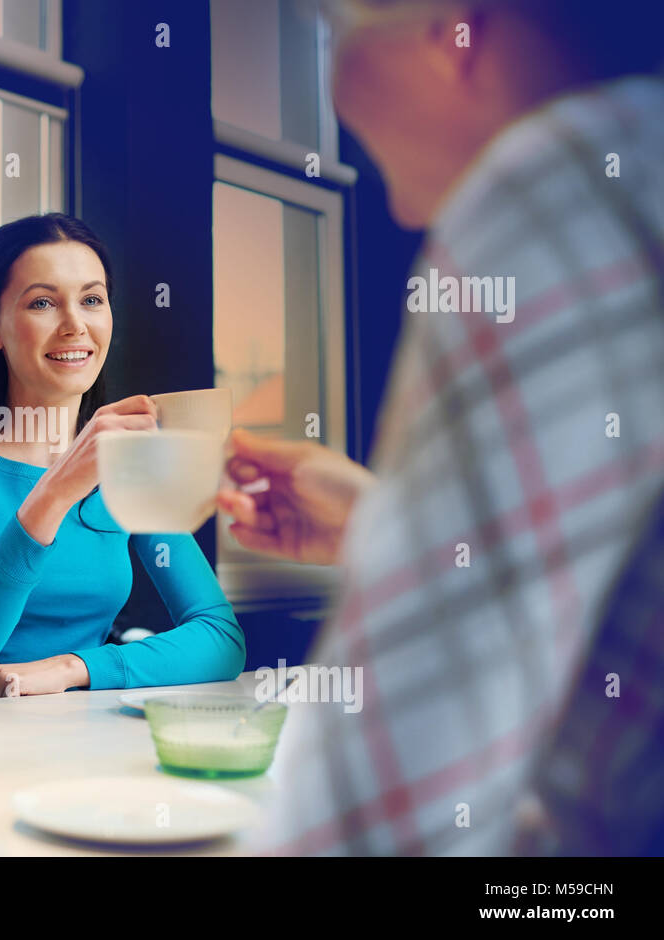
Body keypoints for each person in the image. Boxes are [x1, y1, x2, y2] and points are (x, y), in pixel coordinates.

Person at [219, 0, 664, 854]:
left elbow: (377, 825)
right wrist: (386, 527)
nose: (332, 78)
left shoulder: (562, 184)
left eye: (330, 30)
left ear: (451, 32)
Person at [0, 214, 245, 703]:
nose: (75, 325)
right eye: (43, 302)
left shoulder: (131, 459)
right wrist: (56, 490)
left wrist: (70, 668)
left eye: (92, 300)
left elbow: (221, 641)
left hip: (83, 736)